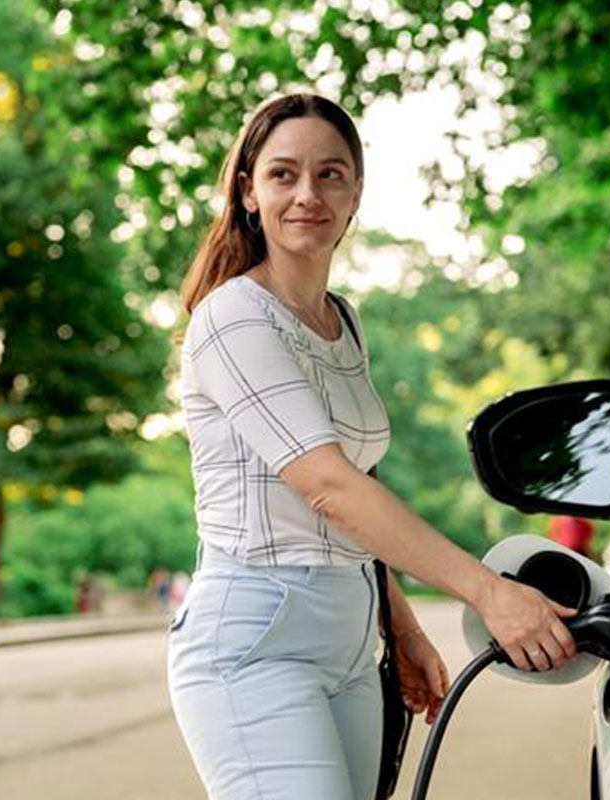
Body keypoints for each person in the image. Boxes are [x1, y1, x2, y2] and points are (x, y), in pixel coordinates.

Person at [168, 93, 578, 800]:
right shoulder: (234, 316)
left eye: (331, 174)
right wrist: (489, 593)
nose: (308, 195)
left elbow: (347, 505)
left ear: (355, 192)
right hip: (258, 642)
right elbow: (330, 487)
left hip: (353, 644)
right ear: (248, 191)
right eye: (283, 175)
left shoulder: (340, 322)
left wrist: (401, 624)